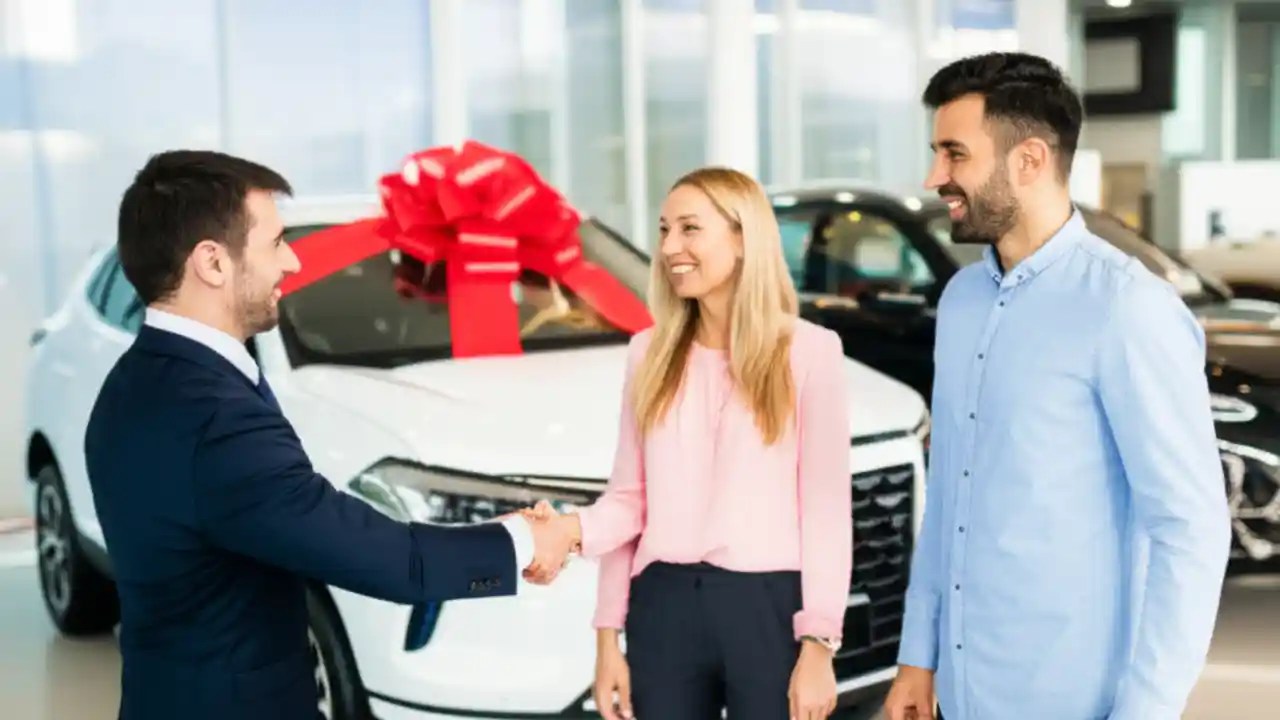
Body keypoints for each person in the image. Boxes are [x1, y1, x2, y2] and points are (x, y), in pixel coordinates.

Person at [84, 150, 577, 720]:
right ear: (213, 263)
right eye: (274, 243)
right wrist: (523, 541)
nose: (292, 263)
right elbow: (393, 562)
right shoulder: (217, 419)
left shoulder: (132, 382)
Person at [883, 52, 1231, 720]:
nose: (935, 178)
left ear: (1030, 160)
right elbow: (948, 489)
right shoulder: (960, 301)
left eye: (955, 154)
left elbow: (1189, 528)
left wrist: (1146, 710)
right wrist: (917, 657)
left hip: (1074, 698)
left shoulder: (1127, 308)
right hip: (960, 691)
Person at [529, 167, 853, 720]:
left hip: (768, 606)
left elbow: (824, 511)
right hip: (663, 606)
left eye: (689, 229)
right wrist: (607, 633)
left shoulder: (811, 352)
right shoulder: (647, 353)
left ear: (742, 237)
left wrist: (819, 644)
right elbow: (628, 499)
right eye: (663, 230)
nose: (670, 247)